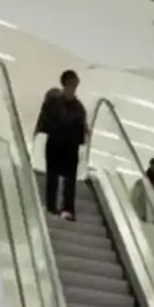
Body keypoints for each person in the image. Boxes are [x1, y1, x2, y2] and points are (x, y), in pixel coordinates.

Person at [34, 70, 88, 220]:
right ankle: (52, 206)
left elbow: (82, 130)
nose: (74, 86)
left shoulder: (78, 107)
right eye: (72, 83)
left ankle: (67, 209)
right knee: (54, 175)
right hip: (57, 144)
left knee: (69, 179)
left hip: (69, 146)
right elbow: (45, 122)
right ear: (66, 83)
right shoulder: (56, 103)